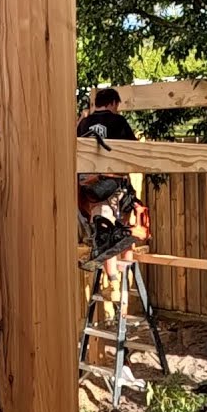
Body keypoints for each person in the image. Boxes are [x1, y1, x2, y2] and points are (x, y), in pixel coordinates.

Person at [76, 89, 144, 286]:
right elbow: (134, 150)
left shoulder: (84, 124)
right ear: (113, 103)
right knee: (124, 227)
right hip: (113, 183)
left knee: (102, 228)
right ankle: (123, 274)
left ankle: (112, 276)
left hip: (89, 186)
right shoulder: (118, 121)